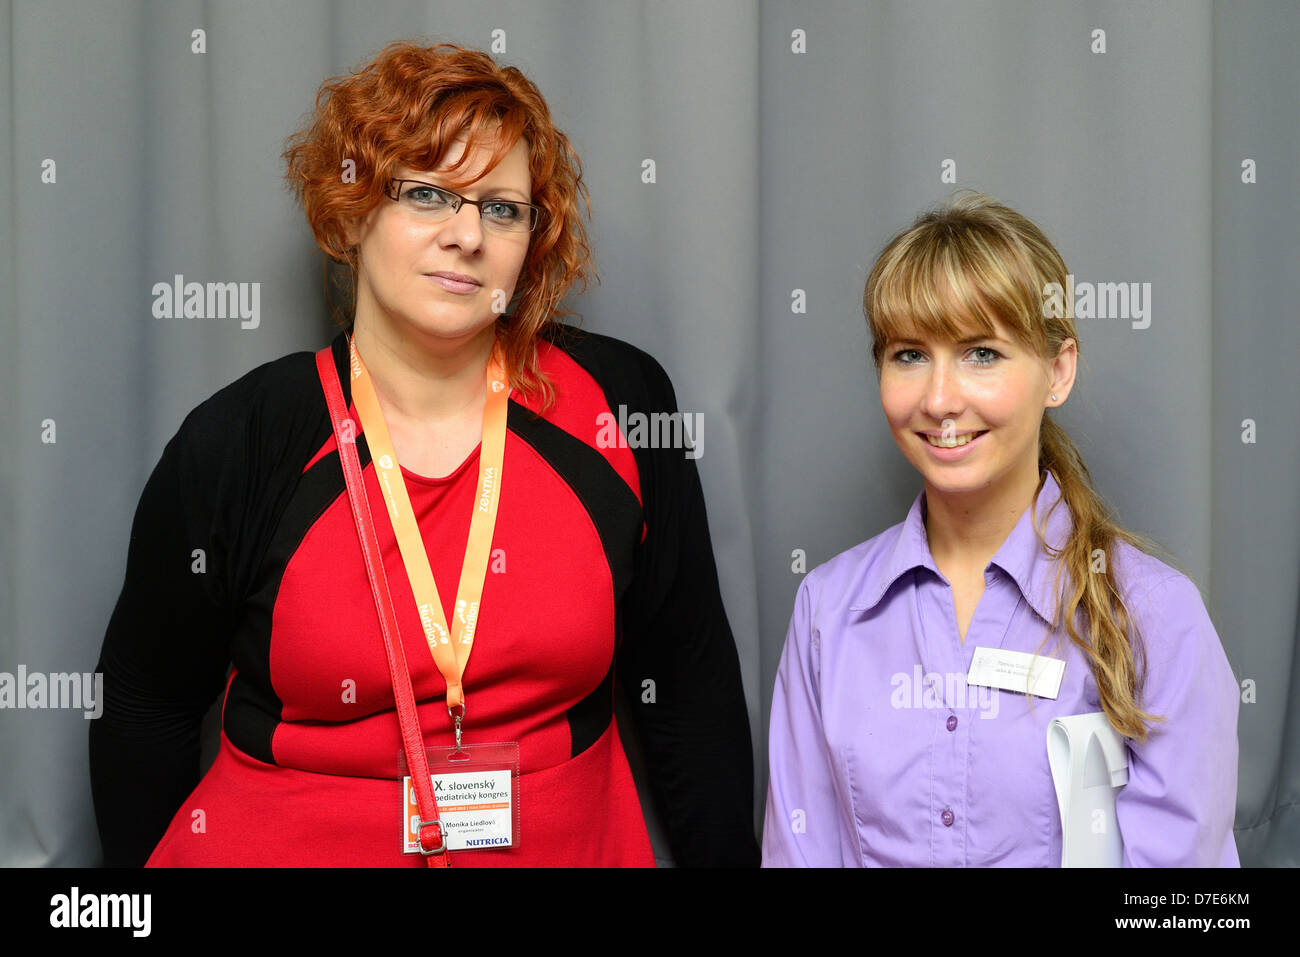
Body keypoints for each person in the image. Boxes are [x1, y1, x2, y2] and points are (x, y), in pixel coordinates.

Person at [90, 41, 758, 867]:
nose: (468, 234)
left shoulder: (620, 405)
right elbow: (144, 705)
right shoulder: (243, 440)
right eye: (428, 193)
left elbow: (689, 689)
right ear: (353, 208)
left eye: (502, 208)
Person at [761, 192, 1240, 867]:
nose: (938, 399)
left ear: (1059, 369)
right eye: (908, 355)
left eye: (981, 353)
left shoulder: (1154, 615)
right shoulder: (828, 612)